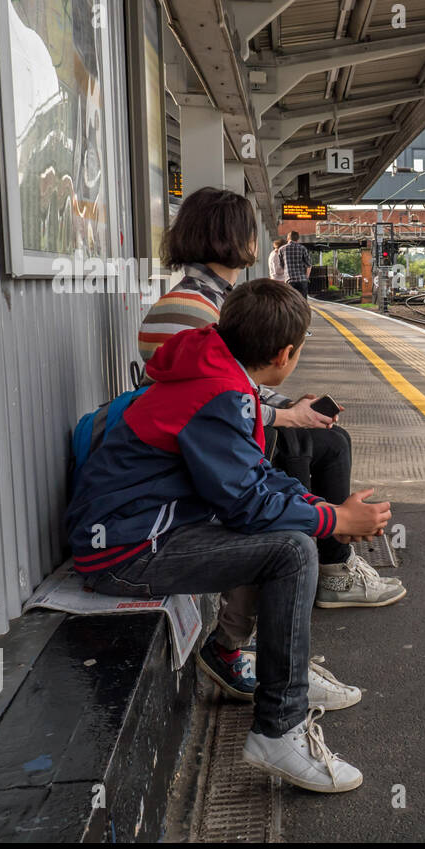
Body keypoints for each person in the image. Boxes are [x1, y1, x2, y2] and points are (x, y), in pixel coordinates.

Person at [66, 280, 387, 792]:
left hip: (143, 528)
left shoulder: (213, 371)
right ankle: (280, 726)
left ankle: (268, 673)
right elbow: (249, 503)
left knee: (287, 530)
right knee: (292, 551)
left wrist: (320, 508)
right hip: (126, 551)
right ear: (285, 355)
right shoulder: (219, 393)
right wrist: (335, 522)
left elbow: (253, 476)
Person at [138, 187, 405, 704]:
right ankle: (290, 616)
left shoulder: (210, 301)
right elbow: (206, 402)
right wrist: (286, 413)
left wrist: (287, 403)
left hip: (206, 443)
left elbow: (230, 388)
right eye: (249, 229)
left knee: (322, 442)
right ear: (234, 236)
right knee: (299, 468)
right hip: (192, 456)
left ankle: (328, 571)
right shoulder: (192, 309)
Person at [280, 229, 312, 296]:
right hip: (302, 280)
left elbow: (282, 265)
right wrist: (306, 277)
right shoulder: (303, 248)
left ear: (288, 238)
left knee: (291, 302)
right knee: (303, 302)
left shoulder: (282, 249)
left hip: (290, 280)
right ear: (297, 239)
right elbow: (309, 265)